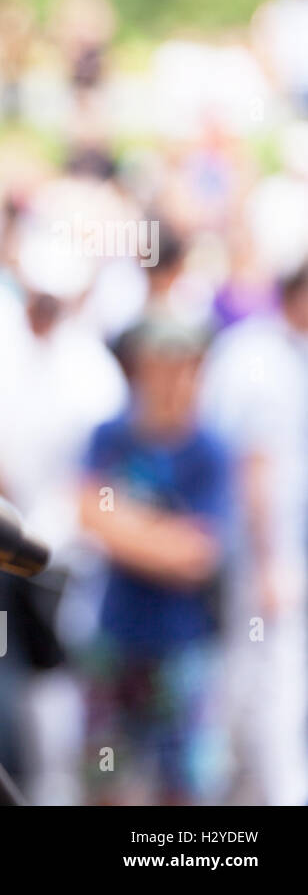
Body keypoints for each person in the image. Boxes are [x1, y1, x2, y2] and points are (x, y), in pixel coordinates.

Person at [78, 316, 231, 804]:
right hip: (116, 634)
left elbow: (199, 552)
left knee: (182, 780)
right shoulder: (110, 436)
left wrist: (126, 526)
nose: (174, 379)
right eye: (161, 366)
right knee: (104, 772)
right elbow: (88, 514)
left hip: (181, 643)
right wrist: (157, 538)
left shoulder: (209, 449)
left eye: (185, 367)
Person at [200, 262, 308, 805]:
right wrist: (272, 563)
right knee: (270, 677)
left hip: (268, 554)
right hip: (260, 554)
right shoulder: (261, 359)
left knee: (254, 675)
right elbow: (257, 466)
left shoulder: (276, 349)